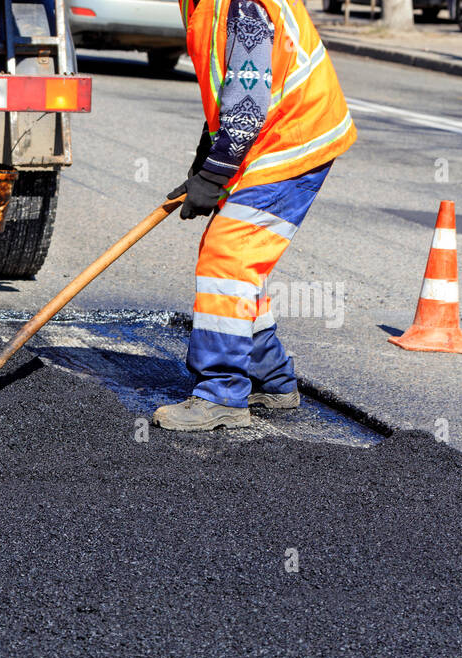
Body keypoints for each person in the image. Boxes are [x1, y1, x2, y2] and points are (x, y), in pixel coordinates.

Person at [153, 0, 355, 431]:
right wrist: (204, 163)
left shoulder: (242, 4)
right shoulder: (203, 3)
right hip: (275, 134)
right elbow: (230, 89)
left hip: (295, 138)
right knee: (236, 258)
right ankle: (272, 378)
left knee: (228, 253)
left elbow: (248, 102)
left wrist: (215, 174)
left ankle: (221, 394)